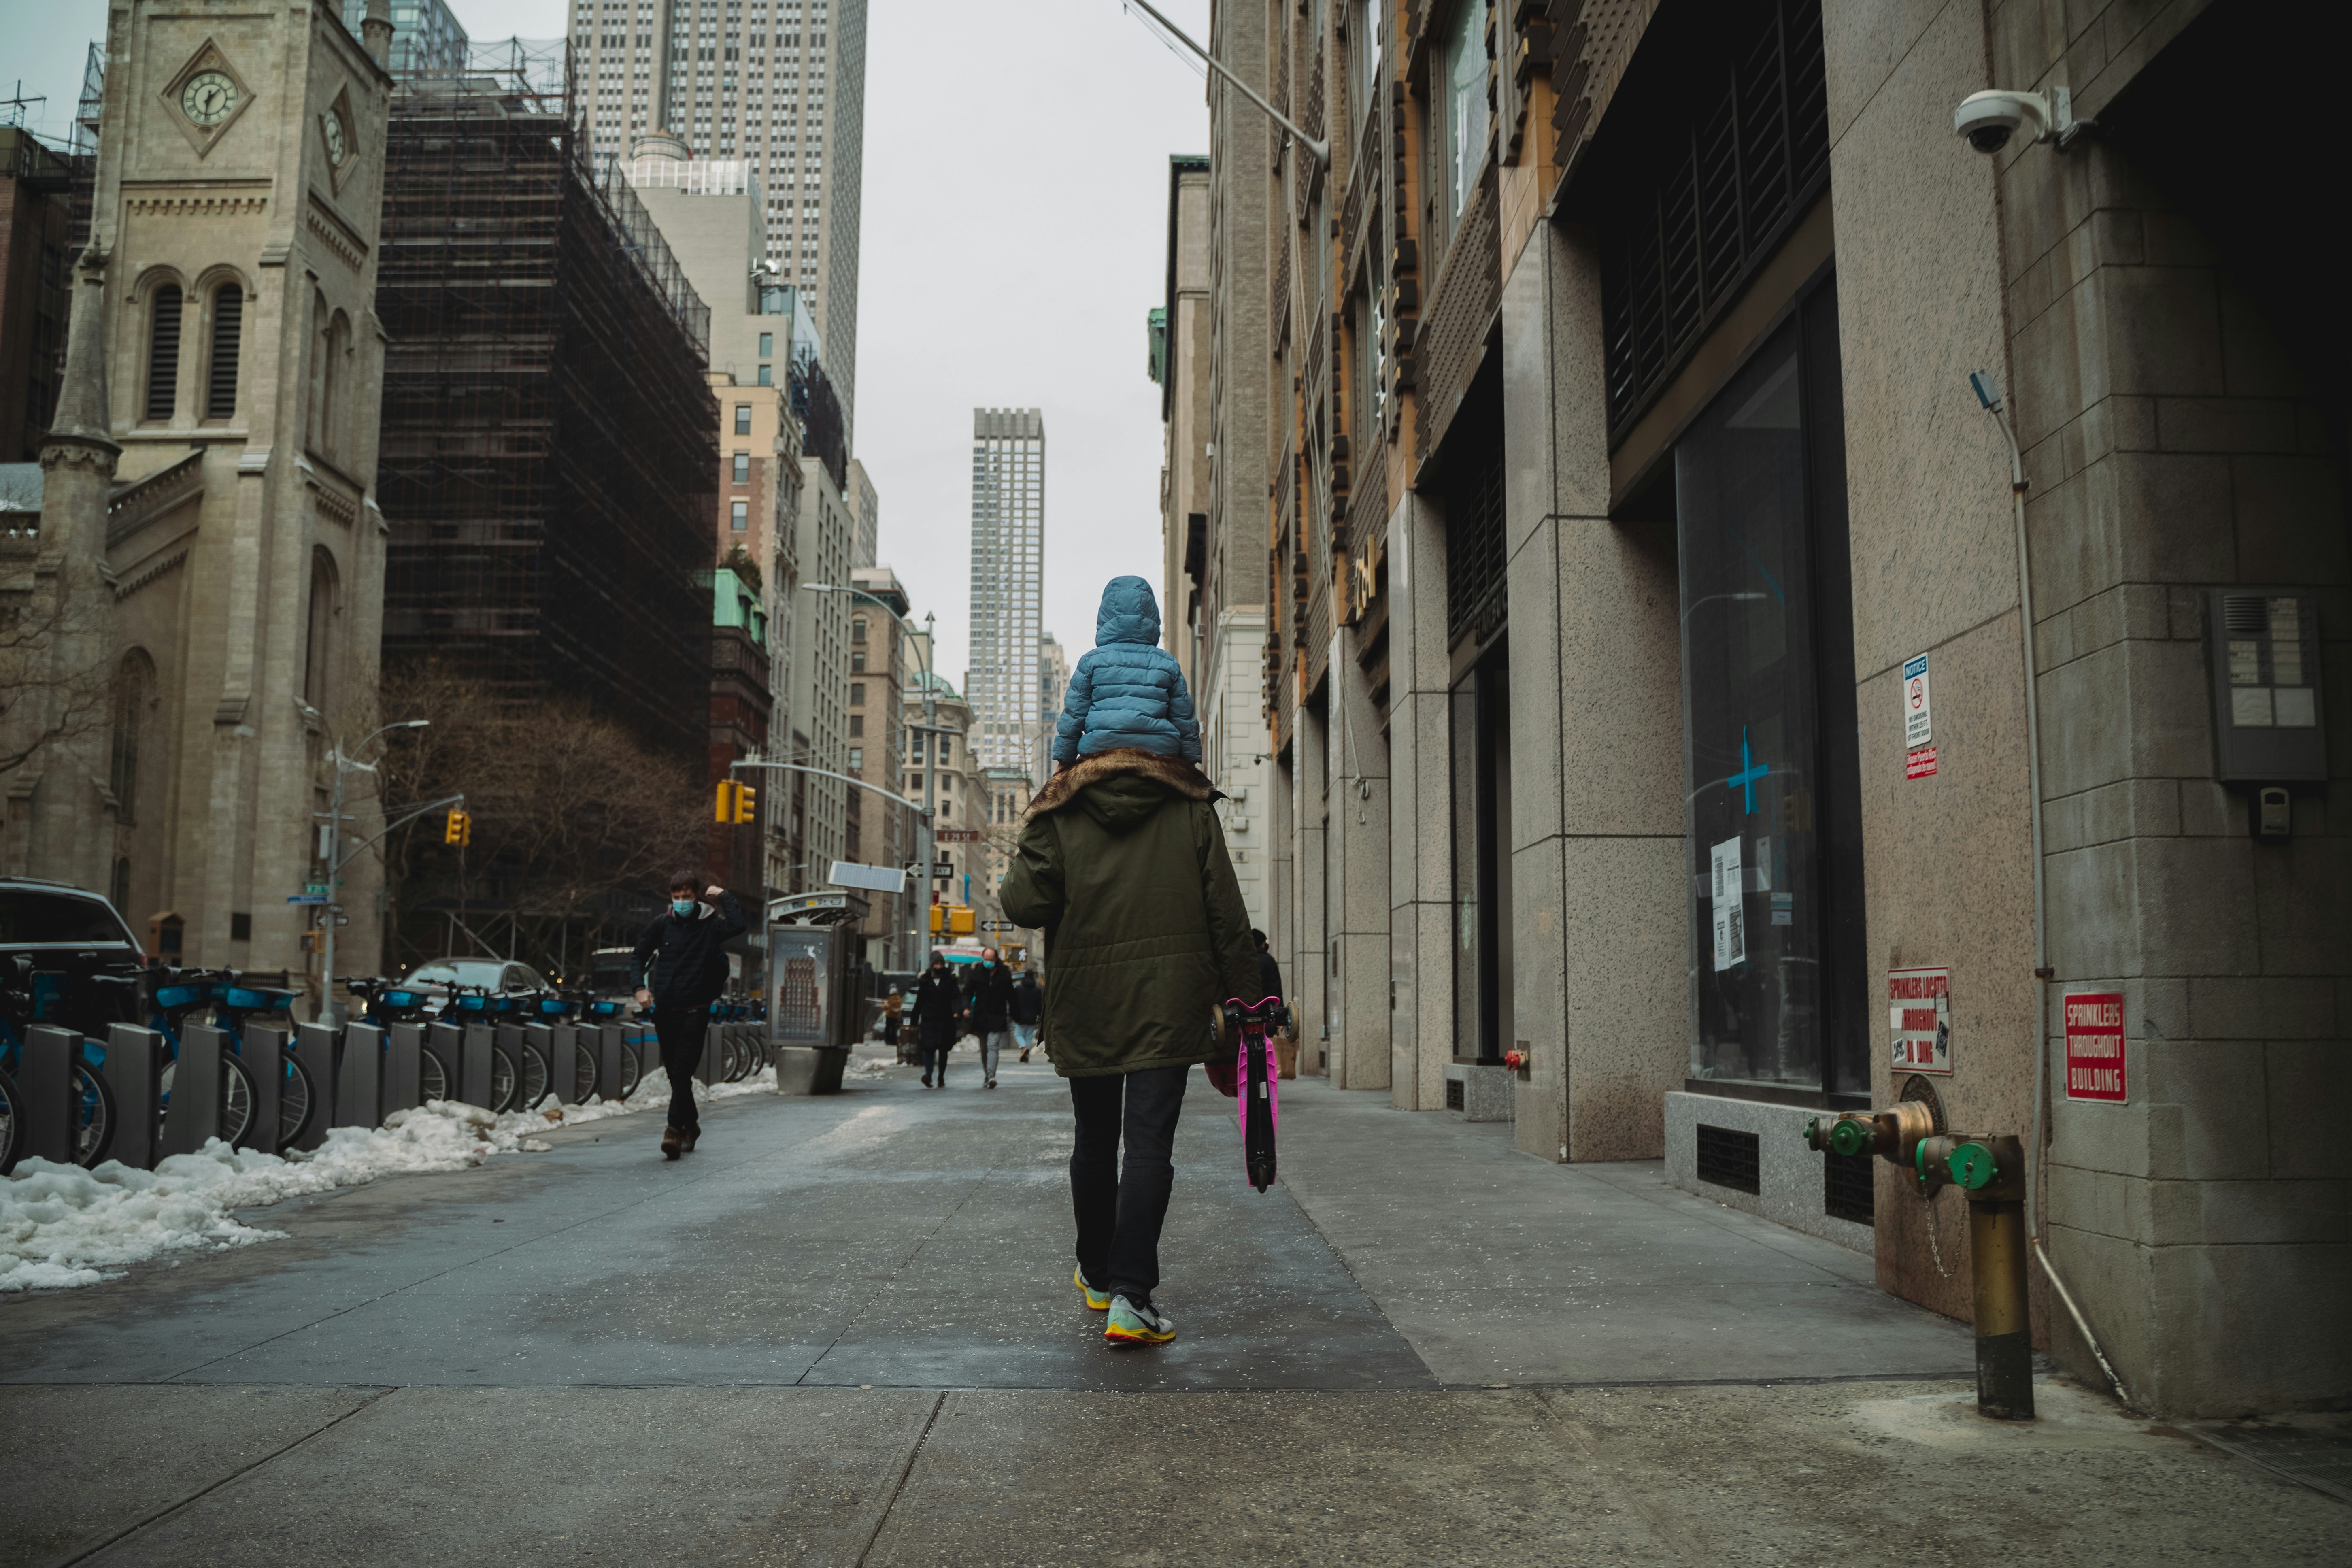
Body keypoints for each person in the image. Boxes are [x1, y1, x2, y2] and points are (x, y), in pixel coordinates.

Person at [1001, 744, 1258, 1348]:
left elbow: (1022, 903)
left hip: (1087, 1003)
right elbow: (1226, 913)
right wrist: (1246, 1001)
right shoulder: (1189, 805)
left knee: (1093, 1140)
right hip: (1169, 1004)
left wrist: (1039, 819)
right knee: (1148, 1147)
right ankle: (1131, 1297)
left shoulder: (1061, 809)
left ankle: (1096, 1275)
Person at [629, 875, 746, 1159]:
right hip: (665, 1010)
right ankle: (691, 1124)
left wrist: (724, 896)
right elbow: (638, 956)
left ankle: (673, 1129)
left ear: (696, 896)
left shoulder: (711, 925)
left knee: (682, 1071)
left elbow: (739, 925)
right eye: (676, 896)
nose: (681, 902)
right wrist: (639, 988)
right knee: (675, 1074)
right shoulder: (661, 924)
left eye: (686, 896)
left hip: (696, 1009)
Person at [1050, 577, 1201, 772]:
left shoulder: (1091, 661)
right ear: (1153, 615)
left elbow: (1073, 715)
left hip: (1100, 747)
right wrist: (1190, 760)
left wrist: (1063, 760)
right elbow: (1184, 719)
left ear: (1104, 616)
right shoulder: (1168, 663)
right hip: (1160, 751)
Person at [964, 947, 1016, 1089]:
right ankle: (987, 1075)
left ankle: (992, 1076)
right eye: (986, 960)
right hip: (981, 1016)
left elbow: (1011, 994)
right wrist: (966, 1007)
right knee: (985, 1049)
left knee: (993, 1046)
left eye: (991, 960)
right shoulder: (977, 973)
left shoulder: (1004, 974)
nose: (988, 963)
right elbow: (967, 992)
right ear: (983, 959)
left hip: (998, 1015)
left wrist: (1014, 1013)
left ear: (996, 960)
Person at [909, 950, 961, 1088]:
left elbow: (956, 997)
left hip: (946, 1019)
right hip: (929, 1019)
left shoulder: (951, 980)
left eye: (941, 964)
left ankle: (941, 1077)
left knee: (943, 1049)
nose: (938, 967)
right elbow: (920, 1001)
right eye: (936, 964)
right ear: (932, 965)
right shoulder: (925, 980)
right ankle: (929, 1075)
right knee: (929, 1048)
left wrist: (957, 1011)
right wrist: (914, 1019)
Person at [1010, 965, 1042, 1063]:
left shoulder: (1019, 989)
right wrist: (1039, 1016)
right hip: (1032, 1017)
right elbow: (1040, 1005)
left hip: (1020, 1017)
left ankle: (1024, 1048)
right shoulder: (1037, 990)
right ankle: (1027, 1056)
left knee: (1018, 1035)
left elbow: (1014, 1004)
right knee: (1029, 1036)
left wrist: (1013, 1016)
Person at [881, 986, 904, 1050]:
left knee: (888, 1028)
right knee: (895, 1029)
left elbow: (886, 1007)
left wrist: (883, 1005)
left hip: (889, 1016)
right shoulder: (899, 999)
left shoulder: (890, 999)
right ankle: (894, 1041)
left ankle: (888, 1040)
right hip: (896, 1016)